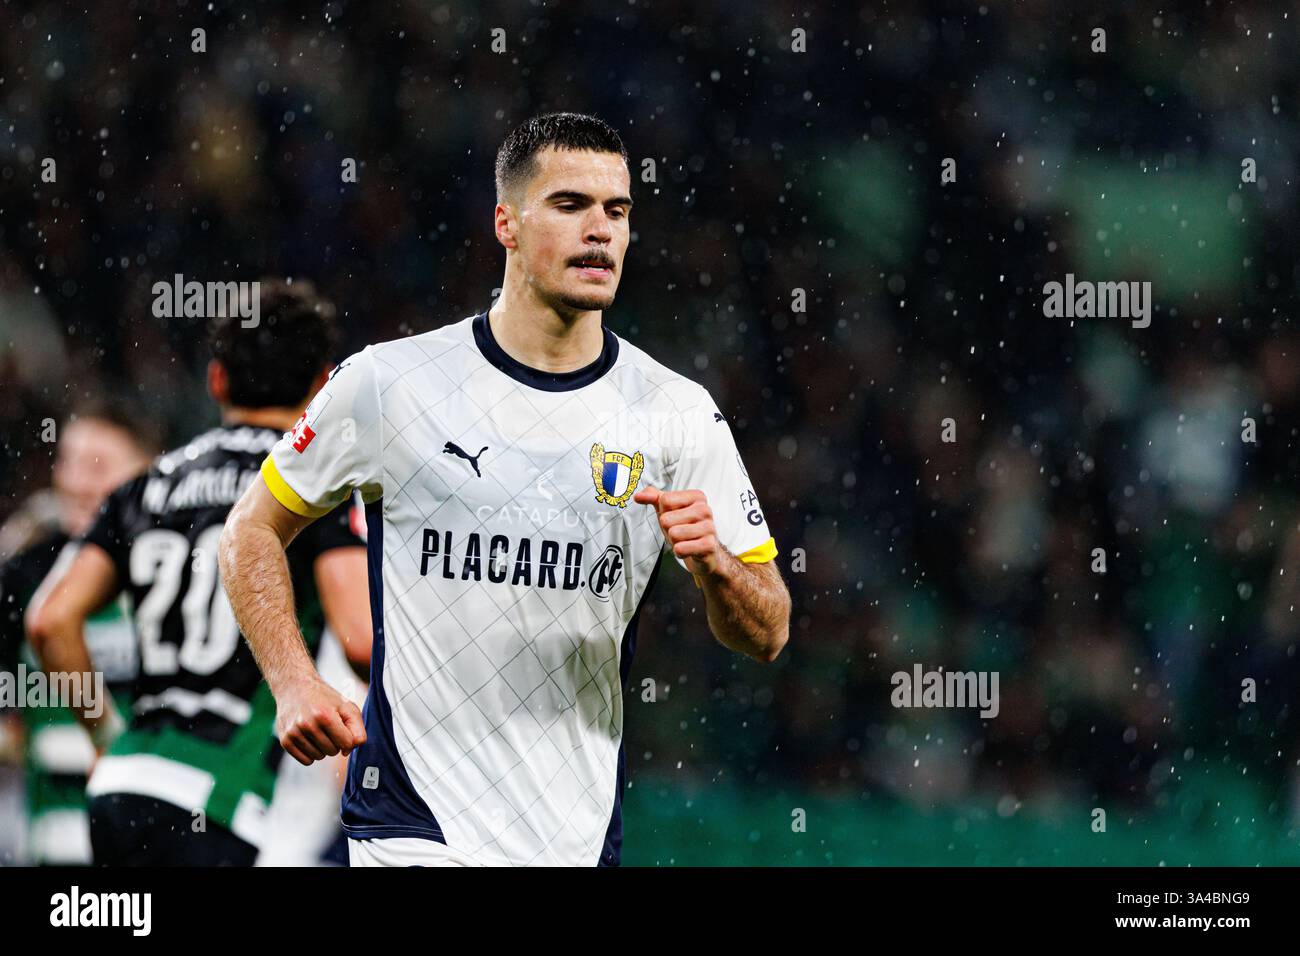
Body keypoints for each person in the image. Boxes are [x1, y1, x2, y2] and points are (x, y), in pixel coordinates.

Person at [219, 112, 792, 867]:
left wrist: (718, 566)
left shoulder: (675, 412)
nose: (600, 231)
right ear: (507, 223)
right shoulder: (390, 384)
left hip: (573, 838)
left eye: (617, 212)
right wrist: (294, 683)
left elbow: (770, 629)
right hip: (412, 827)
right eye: (570, 205)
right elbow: (249, 532)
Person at [26, 279, 373, 866]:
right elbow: (363, 638)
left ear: (216, 379)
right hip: (216, 797)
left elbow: (49, 621)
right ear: (323, 383)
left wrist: (108, 739)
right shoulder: (313, 491)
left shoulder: (146, 485)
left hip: (119, 788)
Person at [0, 400, 158, 863]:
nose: (74, 481)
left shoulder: (184, 578)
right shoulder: (23, 577)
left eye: (97, 465)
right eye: (66, 462)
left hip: (160, 844)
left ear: (149, 471)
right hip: (49, 847)